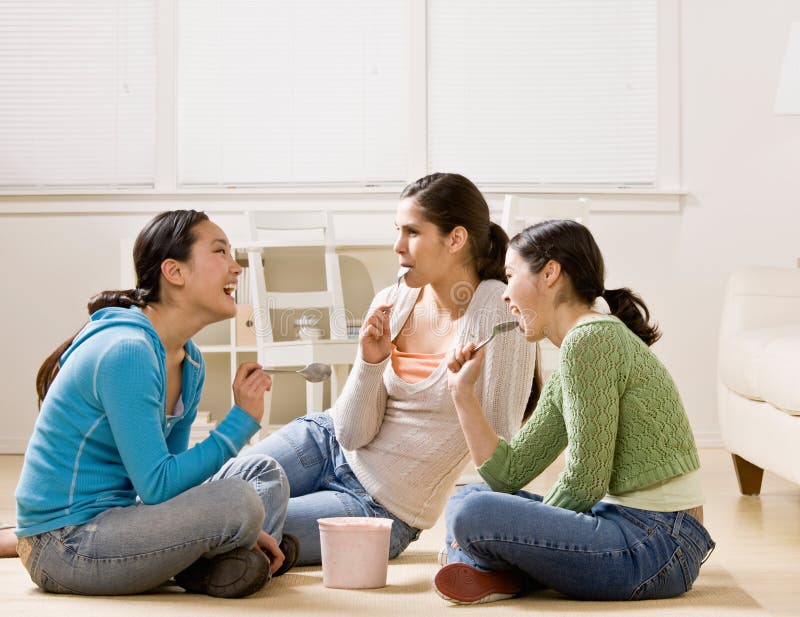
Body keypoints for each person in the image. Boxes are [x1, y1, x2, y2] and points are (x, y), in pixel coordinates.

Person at [242, 173, 536, 565]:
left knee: (235, 527)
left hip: (378, 507)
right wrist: (370, 361)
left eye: (412, 232)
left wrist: (461, 392)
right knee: (215, 495)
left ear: (456, 239)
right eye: (398, 230)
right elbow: (350, 432)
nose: (397, 246)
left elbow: (500, 450)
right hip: (323, 441)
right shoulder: (394, 299)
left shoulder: (496, 312)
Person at [14, 210, 294, 598]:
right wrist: (241, 420)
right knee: (240, 500)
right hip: (67, 544)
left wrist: (216, 520)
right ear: (174, 272)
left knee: (263, 473)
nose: (236, 268)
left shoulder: (189, 361)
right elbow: (159, 485)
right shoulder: (127, 351)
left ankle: (217, 561)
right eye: (220, 252)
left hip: (121, 521)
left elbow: (166, 491)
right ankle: (221, 561)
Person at [435, 219, 716, 604]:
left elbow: (586, 481)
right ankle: (506, 570)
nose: (504, 295)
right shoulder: (577, 348)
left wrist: (522, 530)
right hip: (627, 528)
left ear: (550, 273)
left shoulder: (591, 341)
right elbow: (508, 473)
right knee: (466, 500)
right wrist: (461, 392)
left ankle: (499, 567)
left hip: (659, 545)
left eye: (511, 275)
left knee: (475, 515)